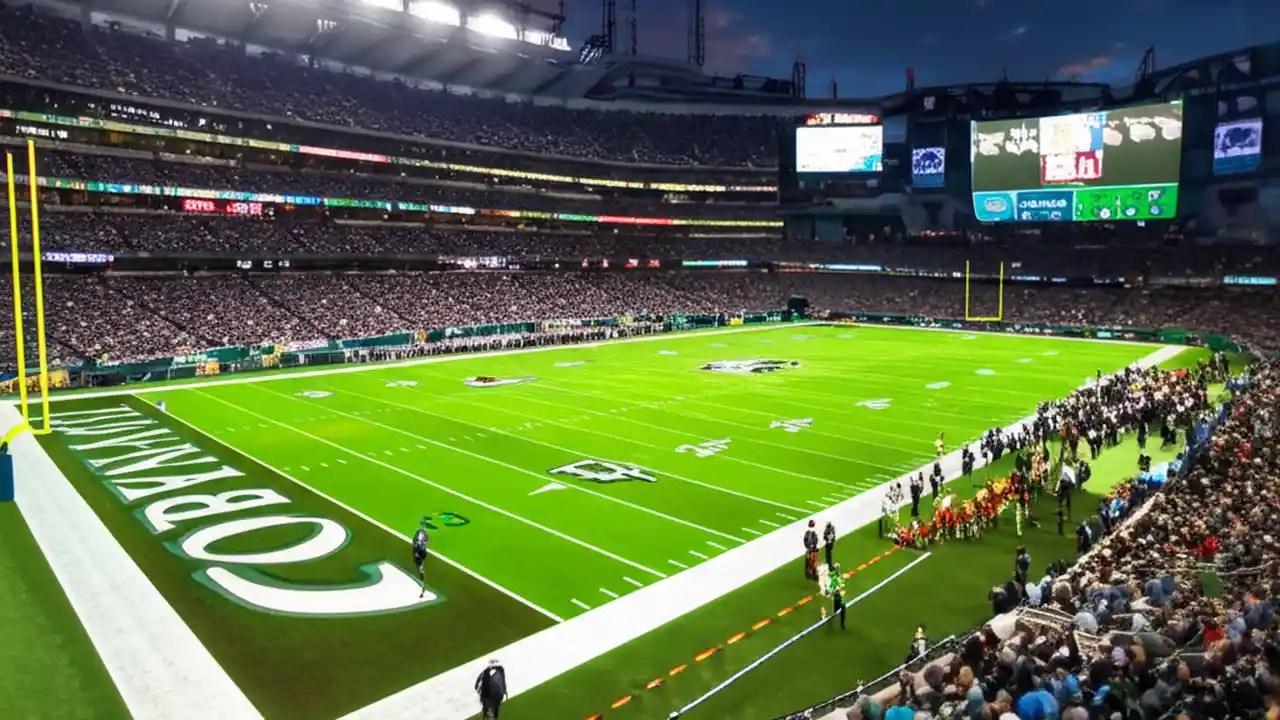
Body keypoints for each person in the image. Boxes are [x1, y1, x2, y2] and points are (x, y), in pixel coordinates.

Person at [412, 522, 430, 597]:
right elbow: (415, 542)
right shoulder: (421, 535)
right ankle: (422, 586)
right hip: (420, 552)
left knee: (420, 568)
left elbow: (416, 542)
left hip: (420, 552)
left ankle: (422, 587)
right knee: (420, 568)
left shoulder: (419, 551)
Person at [828, 562, 847, 629]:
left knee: (839, 608)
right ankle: (842, 624)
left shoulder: (834, 575)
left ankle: (837, 617)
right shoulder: (833, 577)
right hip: (836, 595)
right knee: (842, 607)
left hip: (837, 595)